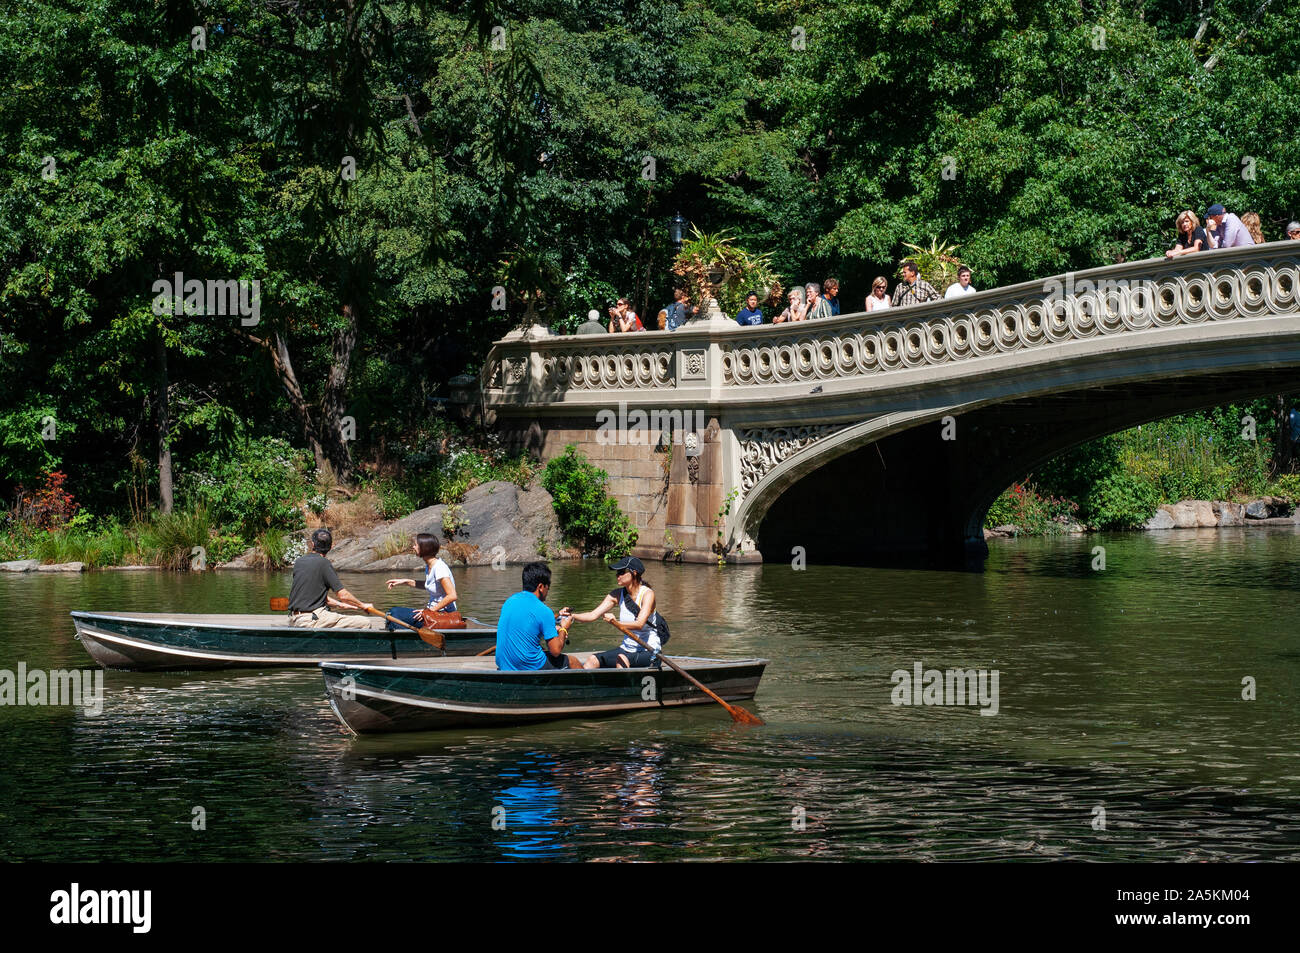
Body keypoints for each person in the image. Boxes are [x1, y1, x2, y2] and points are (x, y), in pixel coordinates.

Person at [562, 557, 666, 669]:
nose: (617, 575)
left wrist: (614, 622)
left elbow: (639, 624)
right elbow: (592, 615)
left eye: (621, 572)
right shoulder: (616, 594)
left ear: (634, 573)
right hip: (626, 649)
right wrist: (572, 616)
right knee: (593, 660)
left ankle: (624, 686)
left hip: (649, 651)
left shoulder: (647, 594)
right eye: (617, 572)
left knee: (621, 659)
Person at [287, 528, 383, 629]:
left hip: (294, 620)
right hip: (311, 620)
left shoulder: (299, 562)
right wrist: (363, 605)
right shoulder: (324, 563)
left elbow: (314, 596)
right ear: (331, 547)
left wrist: (340, 605)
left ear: (312, 544)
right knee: (365, 622)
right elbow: (343, 595)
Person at [495, 562, 582, 670]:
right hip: (527, 666)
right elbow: (555, 651)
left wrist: (554, 628)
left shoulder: (509, 601)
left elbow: (529, 628)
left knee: (541, 650)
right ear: (541, 587)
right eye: (548, 587)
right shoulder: (544, 611)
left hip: (503, 663)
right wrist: (564, 628)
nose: (548, 590)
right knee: (573, 661)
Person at [383, 533, 458, 631]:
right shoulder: (430, 565)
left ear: (424, 547)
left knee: (394, 613)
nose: (413, 547)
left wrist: (428, 611)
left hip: (443, 615)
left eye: (415, 544)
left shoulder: (439, 567)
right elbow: (429, 585)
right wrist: (405, 581)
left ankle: (407, 641)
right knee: (392, 614)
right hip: (434, 612)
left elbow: (452, 595)